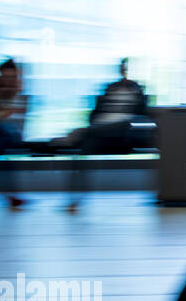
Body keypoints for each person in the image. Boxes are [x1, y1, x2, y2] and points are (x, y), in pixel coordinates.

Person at [64, 58, 154, 213]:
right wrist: (96, 126)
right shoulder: (109, 89)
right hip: (101, 134)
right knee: (85, 148)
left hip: (125, 133)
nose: (126, 72)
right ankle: (75, 199)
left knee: (117, 126)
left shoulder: (138, 90)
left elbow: (143, 117)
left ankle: (83, 132)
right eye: (124, 68)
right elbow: (95, 114)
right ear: (121, 70)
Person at [0, 58, 28, 210]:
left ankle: (11, 195)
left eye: (11, 77)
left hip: (11, 135)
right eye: (4, 77)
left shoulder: (21, 96)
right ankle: (11, 195)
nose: (7, 81)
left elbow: (17, 122)